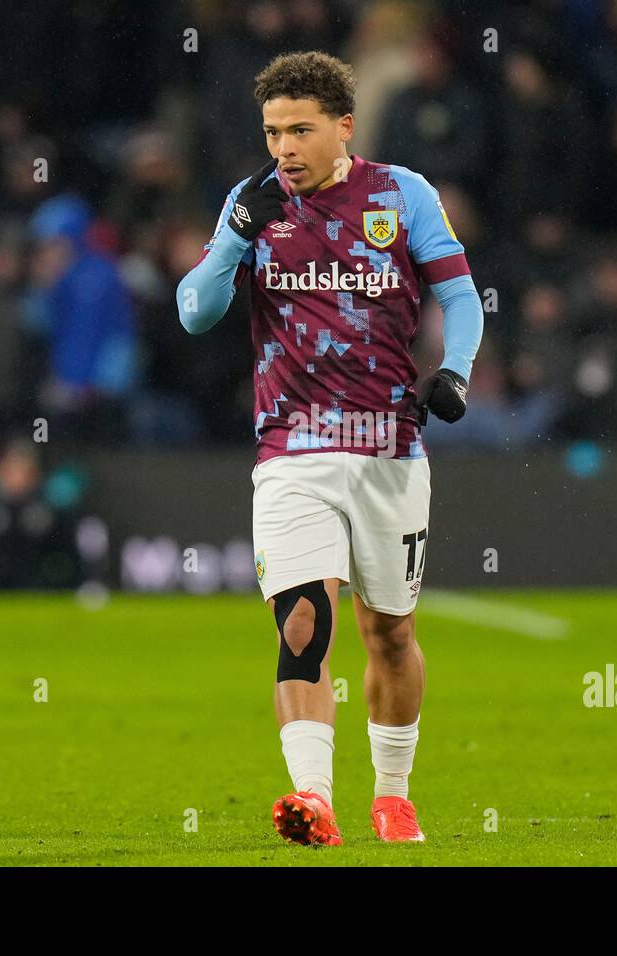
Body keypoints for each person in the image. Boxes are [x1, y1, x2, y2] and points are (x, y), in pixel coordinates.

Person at [175, 51, 483, 846]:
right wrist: (230, 244)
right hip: (292, 451)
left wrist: (455, 371)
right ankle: (312, 798)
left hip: (389, 452)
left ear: (343, 127)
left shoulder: (401, 194)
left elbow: (458, 294)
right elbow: (194, 312)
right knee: (305, 622)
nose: (284, 148)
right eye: (274, 132)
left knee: (391, 635)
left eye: (300, 130)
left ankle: (393, 792)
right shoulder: (252, 205)